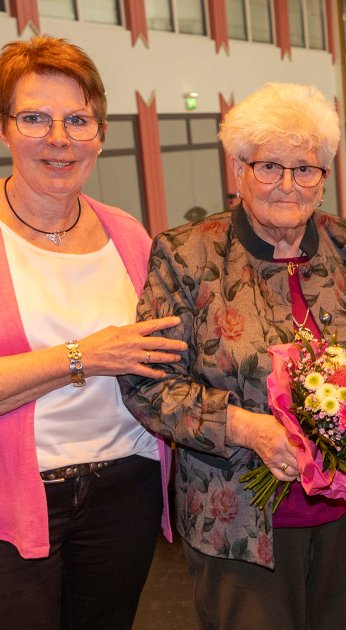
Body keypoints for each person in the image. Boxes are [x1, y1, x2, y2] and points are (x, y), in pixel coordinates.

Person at [120, 83, 346, 630]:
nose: (288, 185)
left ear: (324, 177)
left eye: (305, 169)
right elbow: (149, 384)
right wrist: (249, 429)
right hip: (237, 526)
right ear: (237, 169)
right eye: (269, 166)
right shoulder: (187, 254)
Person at [0, 35, 187, 630]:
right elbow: (108, 354)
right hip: (16, 500)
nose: (59, 138)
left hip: (125, 487)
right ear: (4, 129)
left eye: (78, 120)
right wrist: (83, 356)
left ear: (100, 135)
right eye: (35, 118)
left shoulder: (128, 234)